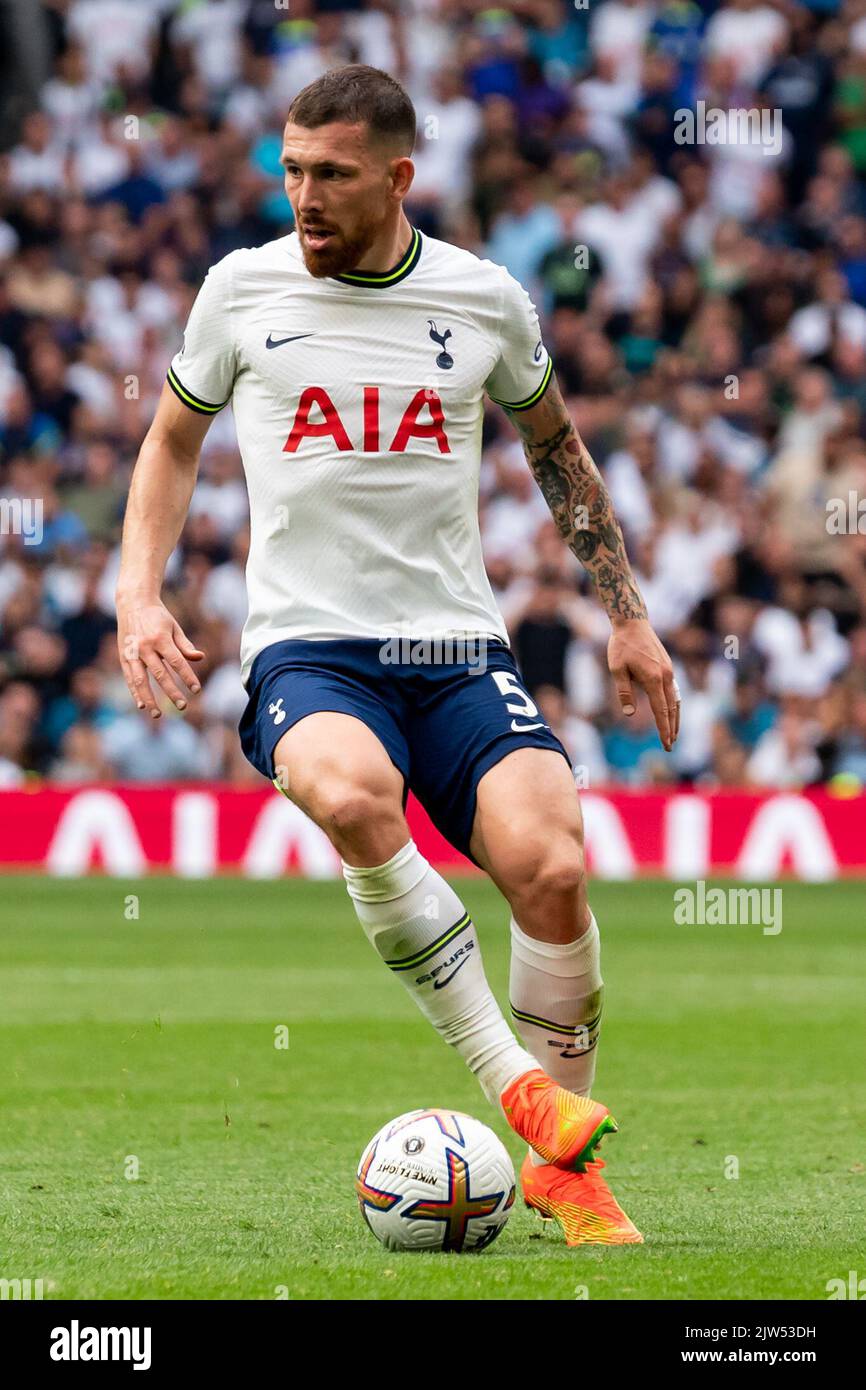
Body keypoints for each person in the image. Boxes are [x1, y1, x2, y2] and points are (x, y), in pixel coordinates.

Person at [115, 64, 679, 1248]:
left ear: (397, 177)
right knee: (351, 793)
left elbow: (556, 451)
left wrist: (624, 612)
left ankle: (564, 1174)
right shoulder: (241, 291)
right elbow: (171, 444)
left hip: (456, 646)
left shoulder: (482, 302)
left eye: (330, 175)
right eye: (291, 172)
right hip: (309, 646)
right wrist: (137, 592)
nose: (304, 197)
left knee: (553, 865)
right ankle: (526, 1099)